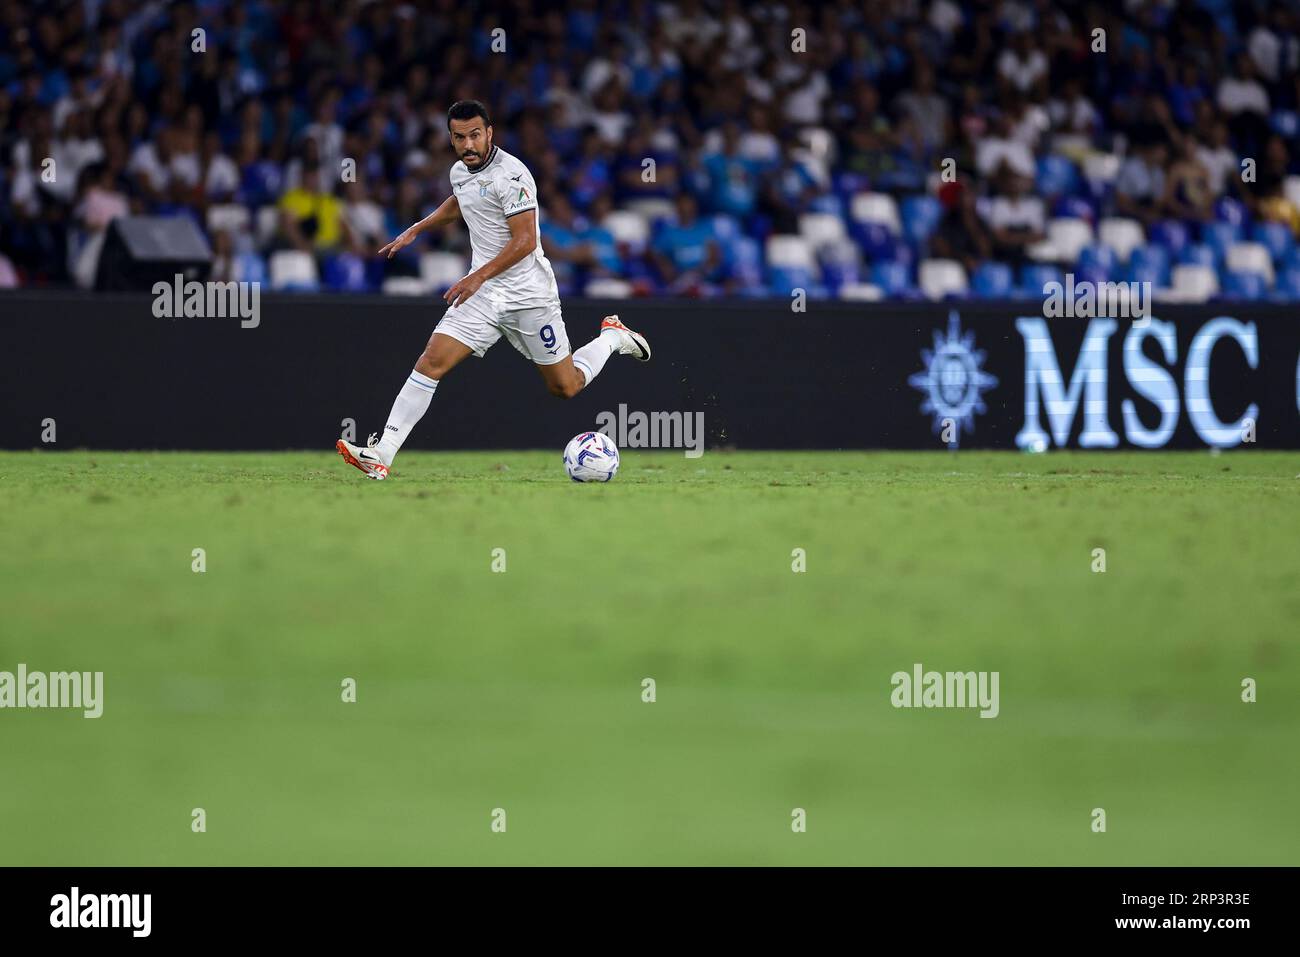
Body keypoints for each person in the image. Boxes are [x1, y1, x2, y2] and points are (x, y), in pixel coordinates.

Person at [336, 100, 650, 481]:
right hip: (483, 296)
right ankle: (381, 453)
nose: (468, 145)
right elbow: (463, 200)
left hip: (528, 295)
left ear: (490, 133)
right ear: (450, 138)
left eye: (474, 135)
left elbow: (524, 242)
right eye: (459, 137)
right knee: (431, 362)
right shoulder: (459, 171)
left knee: (565, 387)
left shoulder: (513, 175)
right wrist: (418, 227)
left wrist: (477, 276)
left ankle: (612, 338)